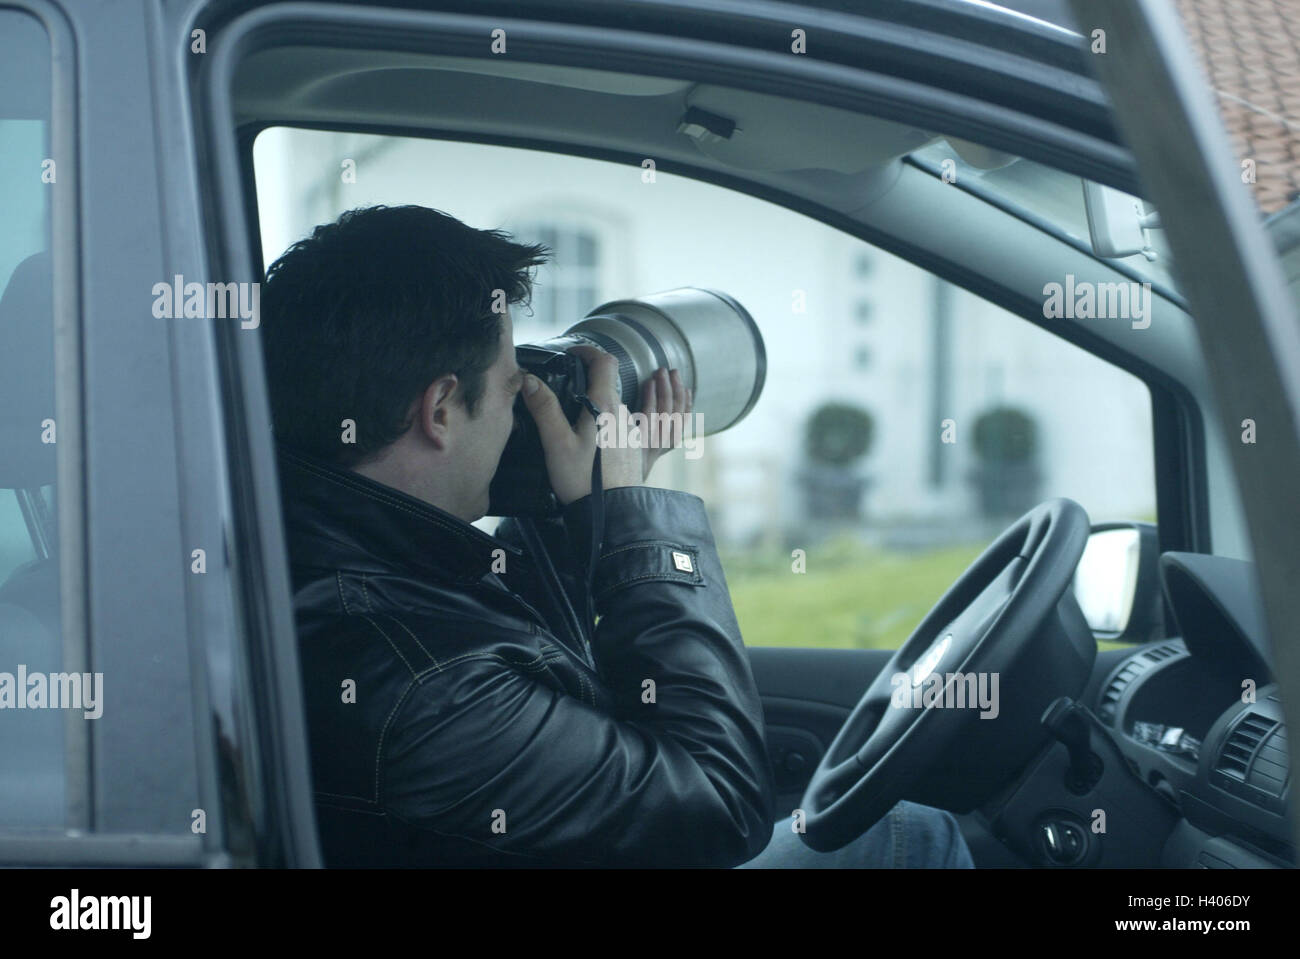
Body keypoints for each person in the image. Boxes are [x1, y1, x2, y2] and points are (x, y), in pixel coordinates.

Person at [259, 203, 973, 868]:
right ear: (441, 408)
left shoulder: (324, 551)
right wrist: (635, 519)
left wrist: (591, 505)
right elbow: (722, 806)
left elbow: (531, 657)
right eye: (515, 389)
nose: (523, 405)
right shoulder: (426, 688)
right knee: (914, 837)